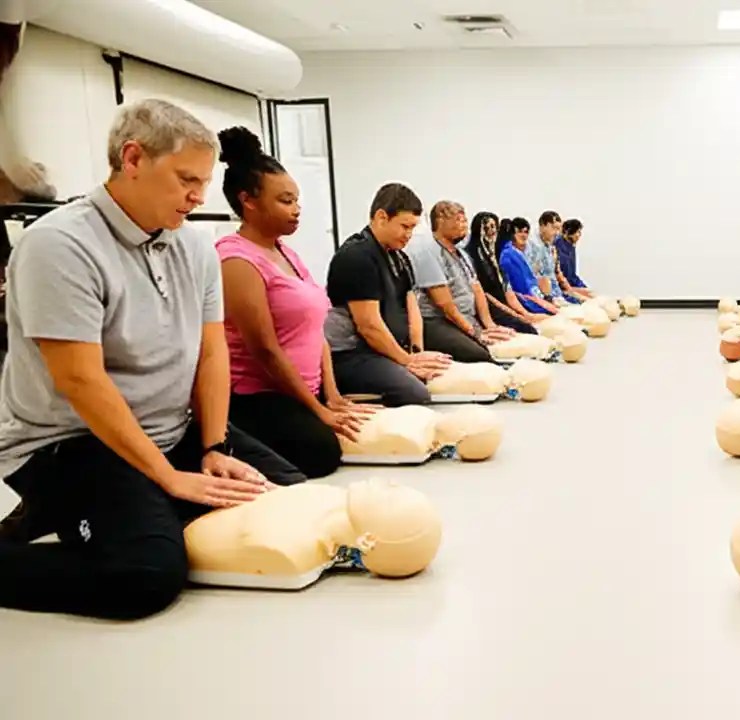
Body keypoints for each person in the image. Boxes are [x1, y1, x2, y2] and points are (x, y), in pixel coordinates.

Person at [0, 99, 305, 620]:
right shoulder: (59, 244)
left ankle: (115, 511)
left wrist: (213, 446)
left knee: (290, 499)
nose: (199, 196)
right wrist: (168, 477)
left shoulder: (196, 248)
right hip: (71, 443)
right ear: (133, 158)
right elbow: (81, 380)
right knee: (147, 575)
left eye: (205, 182)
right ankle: (53, 517)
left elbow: (211, 353)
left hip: (170, 429)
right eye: (186, 179)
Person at [214, 126, 370, 479]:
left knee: (343, 430)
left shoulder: (285, 251)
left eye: (297, 200)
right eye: (285, 201)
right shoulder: (236, 260)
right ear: (248, 201)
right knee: (321, 452)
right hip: (257, 397)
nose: (297, 209)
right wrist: (318, 410)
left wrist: (332, 395)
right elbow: (265, 350)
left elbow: (316, 332)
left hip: (304, 392)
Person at [324, 183, 451, 406]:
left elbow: (412, 310)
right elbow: (368, 326)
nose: (409, 235)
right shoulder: (356, 257)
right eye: (404, 227)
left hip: (387, 348)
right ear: (381, 217)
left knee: (440, 370)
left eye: (412, 228)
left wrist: (417, 352)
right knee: (415, 393)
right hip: (352, 354)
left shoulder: (399, 257)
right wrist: (407, 362)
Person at [405, 201, 514, 363]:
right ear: (441, 221)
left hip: (466, 319)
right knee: (481, 355)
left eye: (465, 221)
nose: (465, 225)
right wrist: (474, 333)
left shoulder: (463, 254)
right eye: (459, 220)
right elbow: (446, 306)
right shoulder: (428, 252)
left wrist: (490, 324)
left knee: (510, 337)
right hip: (439, 321)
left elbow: (477, 289)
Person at [463, 211, 540, 334]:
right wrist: (513, 314)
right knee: (527, 328)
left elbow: (506, 288)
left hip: (506, 303)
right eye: (486, 227)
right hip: (489, 307)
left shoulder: (495, 254)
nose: (491, 231)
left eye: (494, 227)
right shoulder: (471, 256)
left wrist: (523, 313)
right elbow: (484, 294)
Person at [500, 217, 560, 316]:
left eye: (526, 232)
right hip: (526, 302)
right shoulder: (508, 255)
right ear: (512, 234)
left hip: (538, 297)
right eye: (520, 231)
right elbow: (521, 288)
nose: (524, 235)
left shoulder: (522, 253)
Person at [526, 211, 581, 305]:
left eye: (558, 229)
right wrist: (549, 299)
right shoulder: (532, 245)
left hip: (557, 293)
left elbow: (556, 273)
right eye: (554, 228)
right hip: (543, 297)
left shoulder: (551, 245)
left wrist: (571, 293)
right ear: (542, 225)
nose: (556, 233)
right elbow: (532, 277)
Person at [555, 218, 594, 298]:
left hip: (570, 284)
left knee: (591, 293)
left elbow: (572, 275)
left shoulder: (571, 248)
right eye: (578, 232)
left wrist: (583, 287)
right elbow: (559, 274)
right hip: (561, 287)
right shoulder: (558, 246)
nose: (579, 235)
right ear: (569, 232)